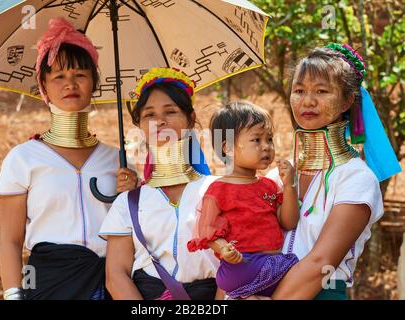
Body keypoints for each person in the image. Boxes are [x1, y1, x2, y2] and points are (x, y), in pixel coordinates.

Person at [0, 18, 138, 300]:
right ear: (44, 88)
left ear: (94, 82)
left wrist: (133, 196)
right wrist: (13, 294)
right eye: (59, 76)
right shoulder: (23, 159)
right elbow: (10, 241)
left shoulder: (118, 161)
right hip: (48, 281)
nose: (70, 84)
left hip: (110, 281)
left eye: (80, 74)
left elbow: (137, 234)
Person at [266, 43, 401, 299]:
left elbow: (320, 264)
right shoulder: (277, 176)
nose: (307, 101)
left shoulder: (357, 178)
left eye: (322, 91)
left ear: (347, 101)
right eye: (299, 90)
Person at [100, 67, 221, 300]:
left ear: (191, 118)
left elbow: (235, 266)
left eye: (170, 111)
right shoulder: (129, 202)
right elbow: (116, 276)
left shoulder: (219, 190)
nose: (160, 121)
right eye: (149, 115)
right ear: (140, 125)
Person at [187, 101, 300, 299]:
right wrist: (225, 250)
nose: (266, 147)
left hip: (270, 263)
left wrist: (289, 185)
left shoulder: (269, 185)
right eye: (256, 140)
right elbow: (208, 231)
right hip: (241, 266)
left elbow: (289, 222)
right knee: (305, 269)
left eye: (270, 139)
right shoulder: (218, 190)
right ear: (228, 148)